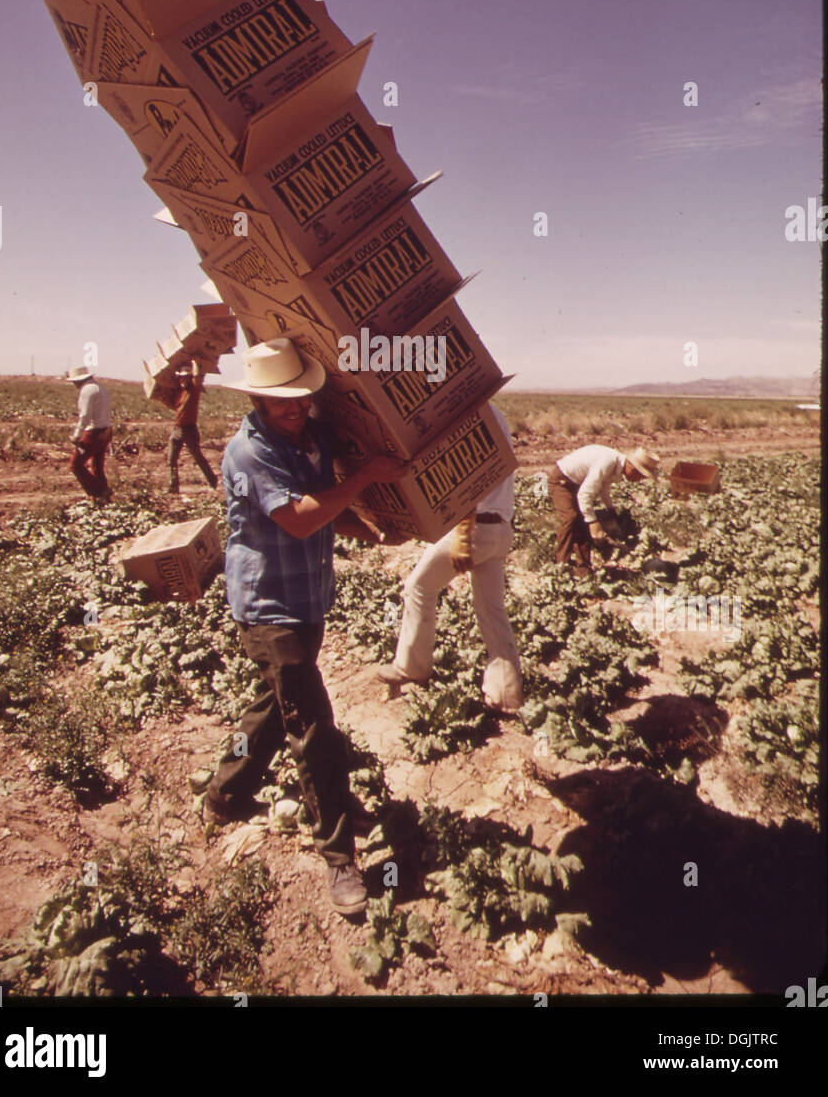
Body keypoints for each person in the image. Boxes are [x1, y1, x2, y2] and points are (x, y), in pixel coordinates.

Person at [203, 337, 406, 917]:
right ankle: (339, 856)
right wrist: (365, 478)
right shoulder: (248, 453)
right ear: (258, 401)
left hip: (307, 596)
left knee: (275, 706)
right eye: (282, 404)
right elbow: (297, 519)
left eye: (300, 401)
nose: (295, 411)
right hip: (268, 605)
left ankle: (225, 793)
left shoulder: (311, 437)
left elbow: (324, 507)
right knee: (312, 726)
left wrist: (370, 532)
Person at [375, 403, 524, 713]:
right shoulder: (496, 414)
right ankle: (507, 693)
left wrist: (462, 536)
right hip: (501, 529)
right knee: (491, 611)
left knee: (418, 587)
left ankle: (411, 667)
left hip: (475, 529)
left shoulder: (463, 419)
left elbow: (466, 484)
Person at [548, 443, 660, 574]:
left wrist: (611, 510)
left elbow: (603, 487)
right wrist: (593, 522)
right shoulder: (608, 462)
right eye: (640, 475)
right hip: (562, 480)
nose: (639, 479)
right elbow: (584, 494)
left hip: (575, 483)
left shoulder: (615, 464)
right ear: (632, 467)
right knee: (571, 518)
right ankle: (560, 565)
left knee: (582, 522)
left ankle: (583, 569)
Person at [165, 360, 217, 494]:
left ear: (189, 377)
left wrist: (194, 361)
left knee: (198, 457)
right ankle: (173, 487)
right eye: (181, 377)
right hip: (177, 429)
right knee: (171, 459)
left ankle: (212, 481)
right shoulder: (178, 392)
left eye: (186, 377)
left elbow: (198, 377)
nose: (183, 379)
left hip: (189, 429)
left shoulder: (194, 389)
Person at [66, 366, 113, 501]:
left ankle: (100, 491)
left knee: (75, 465)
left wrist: (77, 435)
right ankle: (103, 500)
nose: (74, 384)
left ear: (79, 380)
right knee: (97, 466)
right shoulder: (100, 388)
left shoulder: (86, 390)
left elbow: (85, 415)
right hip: (107, 430)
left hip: (94, 432)